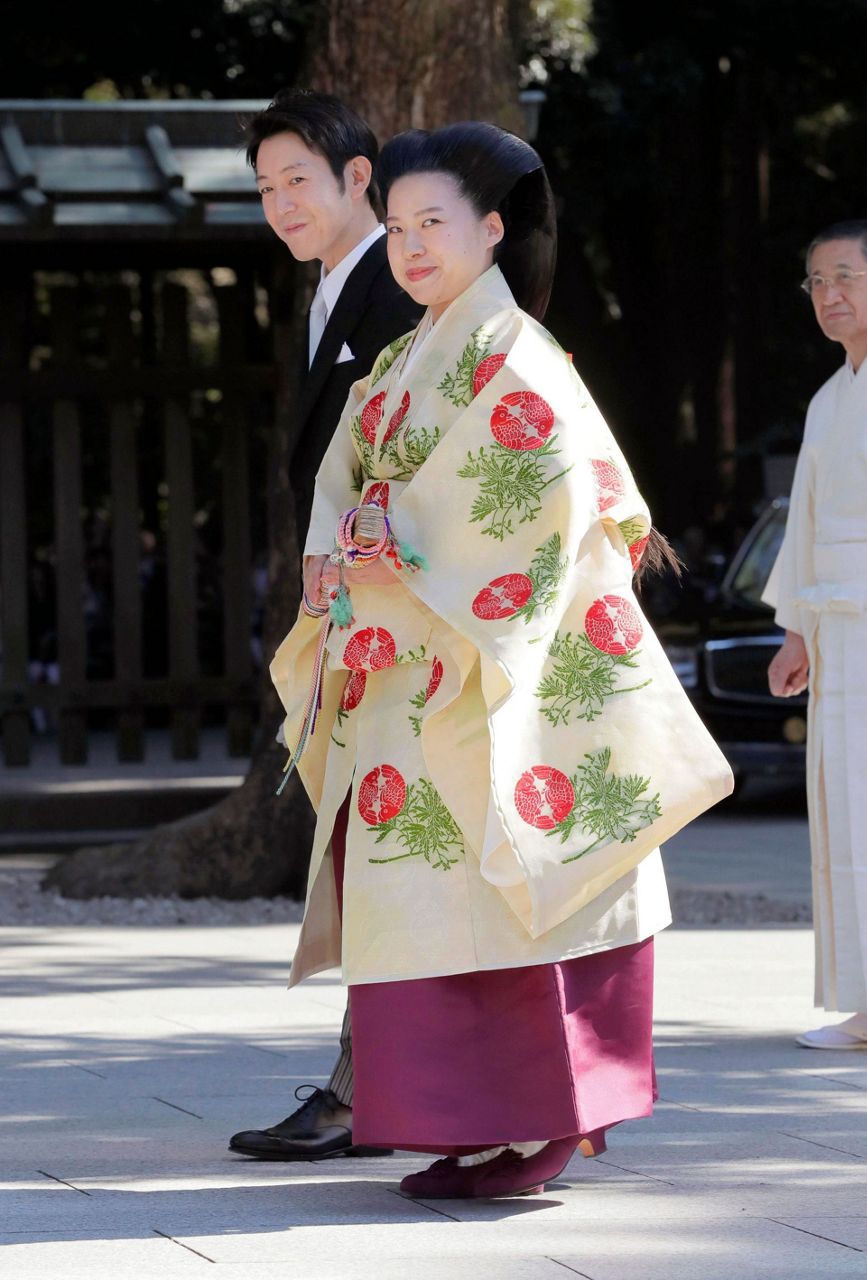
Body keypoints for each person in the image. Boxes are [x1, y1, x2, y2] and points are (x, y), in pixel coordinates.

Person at [271, 121, 733, 1198]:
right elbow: (344, 479)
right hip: (413, 653)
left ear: (491, 228)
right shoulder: (400, 357)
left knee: (517, 871)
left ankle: (539, 1120)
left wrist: (397, 551)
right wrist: (334, 549)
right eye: (394, 228)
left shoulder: (520, 354)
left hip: (495, 663)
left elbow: (542, 505)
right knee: (431, 892)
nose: (410, 246)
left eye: (433, 222)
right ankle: (464, 1116)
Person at [228, 90, 421, 1162]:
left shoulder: (397, 284)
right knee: (370, 845)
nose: (279, 202)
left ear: (362, 176)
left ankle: (372, 1087)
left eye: (297, 178)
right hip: (359, 613)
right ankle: (382, 1081)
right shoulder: (330, 295)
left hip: (406, 615)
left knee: (389, 845)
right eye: (264, 188)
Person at [765, 219, 867, 1052]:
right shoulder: (827, 398)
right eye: (816, 283)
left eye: (845, 277)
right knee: (843, 811)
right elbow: (802, 523)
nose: (829, 296)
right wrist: (795, 628)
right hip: (837, 628)